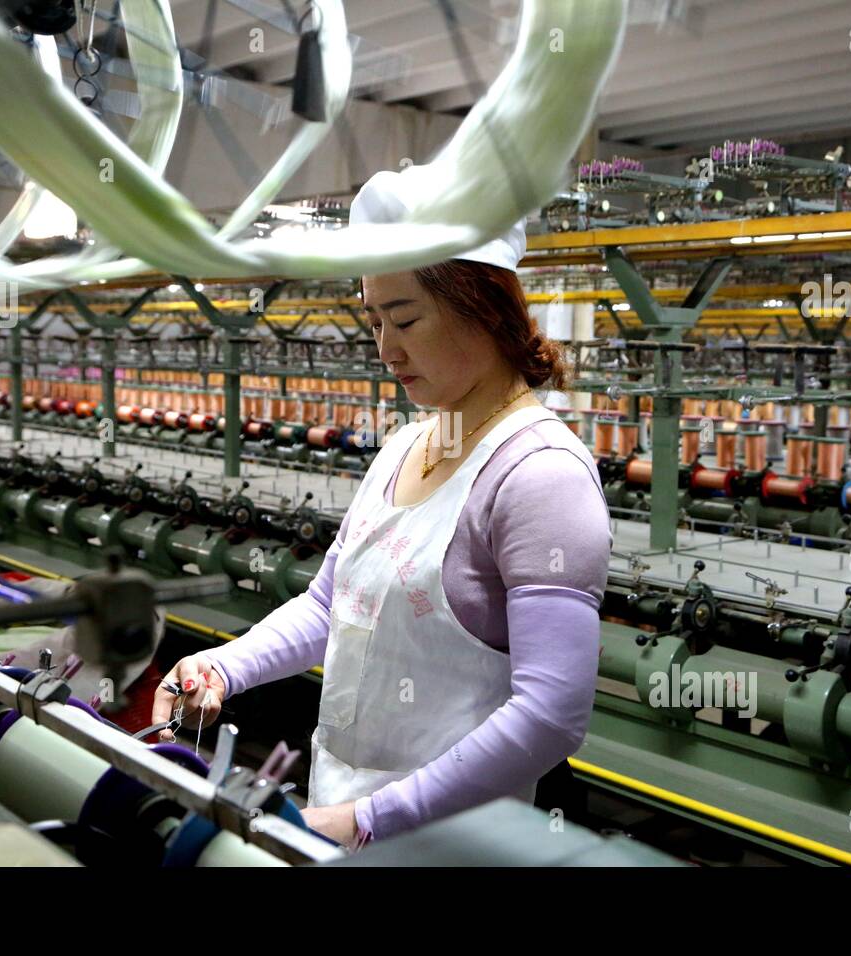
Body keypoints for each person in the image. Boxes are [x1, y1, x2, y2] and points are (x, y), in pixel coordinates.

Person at [152, 166, 611, 847]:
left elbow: (552, 713)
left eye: (403, 319)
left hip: (453, 846)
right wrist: (225, 666)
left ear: (481, 305)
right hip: (335, 819)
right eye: (373, 320)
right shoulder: (405, 447)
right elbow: (330, 604)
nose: (385, 349)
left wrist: (372, 820)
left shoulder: (540, 475)